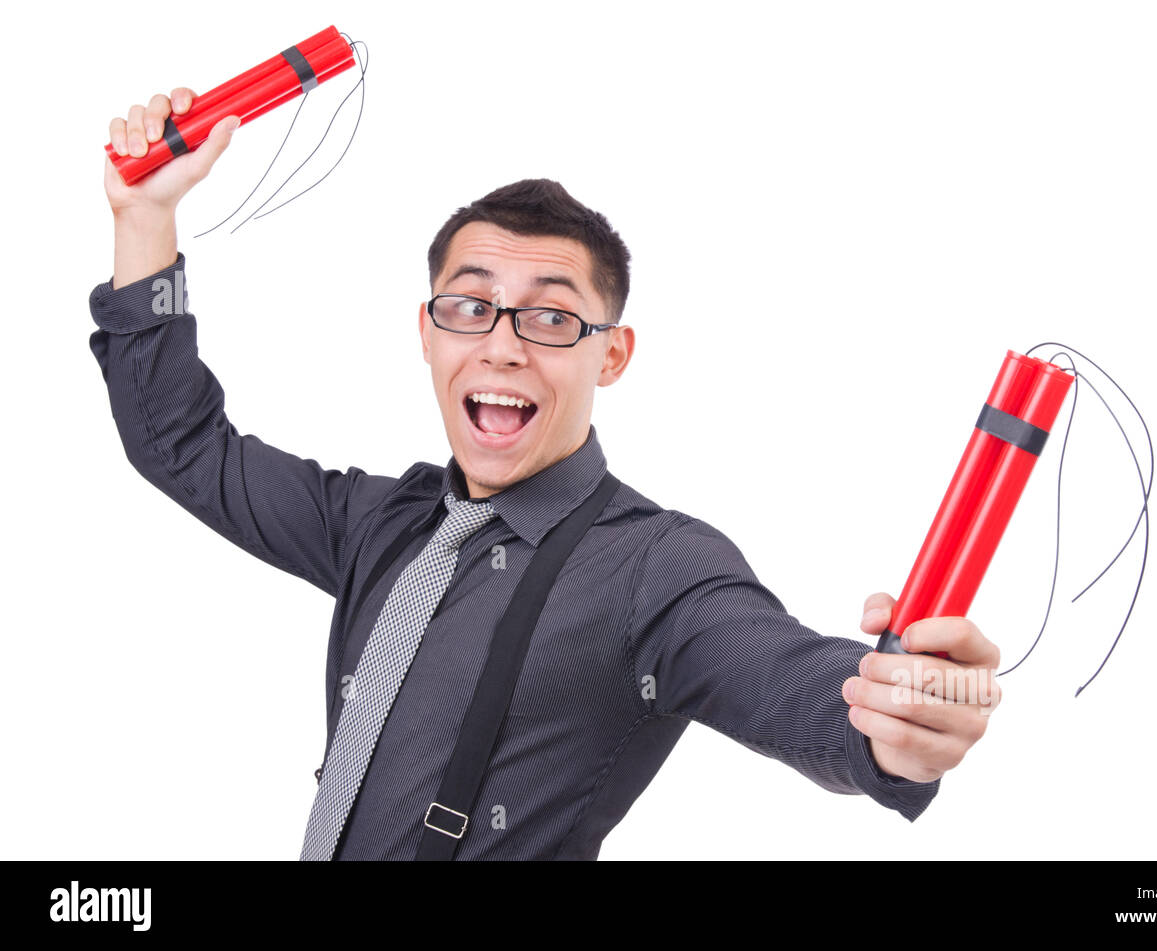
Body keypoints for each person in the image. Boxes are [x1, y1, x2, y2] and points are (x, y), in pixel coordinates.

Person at [90, 88, 1002, 860]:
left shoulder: (657, 568)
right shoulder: (382, 521)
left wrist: (900, 724)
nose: (502, 345)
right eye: (470, 305)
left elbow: (797, 687)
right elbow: (183, 447)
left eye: (552, 318)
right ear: (426, 330)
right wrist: (145, 220)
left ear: (612, 357)